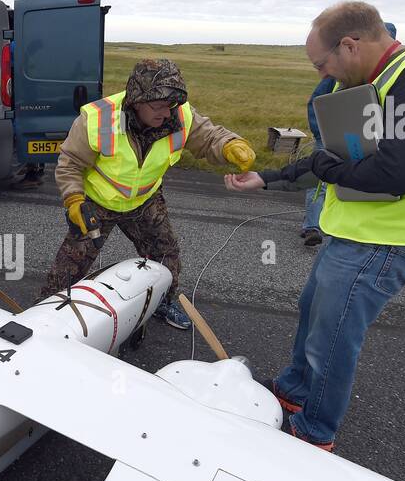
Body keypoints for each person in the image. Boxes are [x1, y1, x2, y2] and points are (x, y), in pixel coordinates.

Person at [224, 1, 405, 451]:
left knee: (334, 336)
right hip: (360, 232)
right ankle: (293, 391)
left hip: (394, 239)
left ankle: (313, 431)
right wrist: (269, 177)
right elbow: (345, 155)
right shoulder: (382, 81)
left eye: (322, 63)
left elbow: (395, 173)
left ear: (350, 45)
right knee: (313, 314)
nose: (321, 74)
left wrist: (329, 169)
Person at [42, 58, 255, 330]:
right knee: (70, 264)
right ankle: (46, 311)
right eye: (158, 107)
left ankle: (162, 303)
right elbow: (70, 163)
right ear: (137, 101)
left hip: (145, 202)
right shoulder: (97, 118)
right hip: (97, 203)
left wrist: (230, 145)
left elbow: (210, 136)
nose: (166, 113)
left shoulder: (180, 115)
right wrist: (74, 200)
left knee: (166, 256)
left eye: (170, 106)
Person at [301, 22, 398, 246]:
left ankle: (343, 227)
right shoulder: (340, 74)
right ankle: (312, 227)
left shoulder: (388, 76)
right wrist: (322, 135)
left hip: (367, 142)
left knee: (354, 179)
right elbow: (317, 103)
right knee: (321, 181)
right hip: (333, 139)